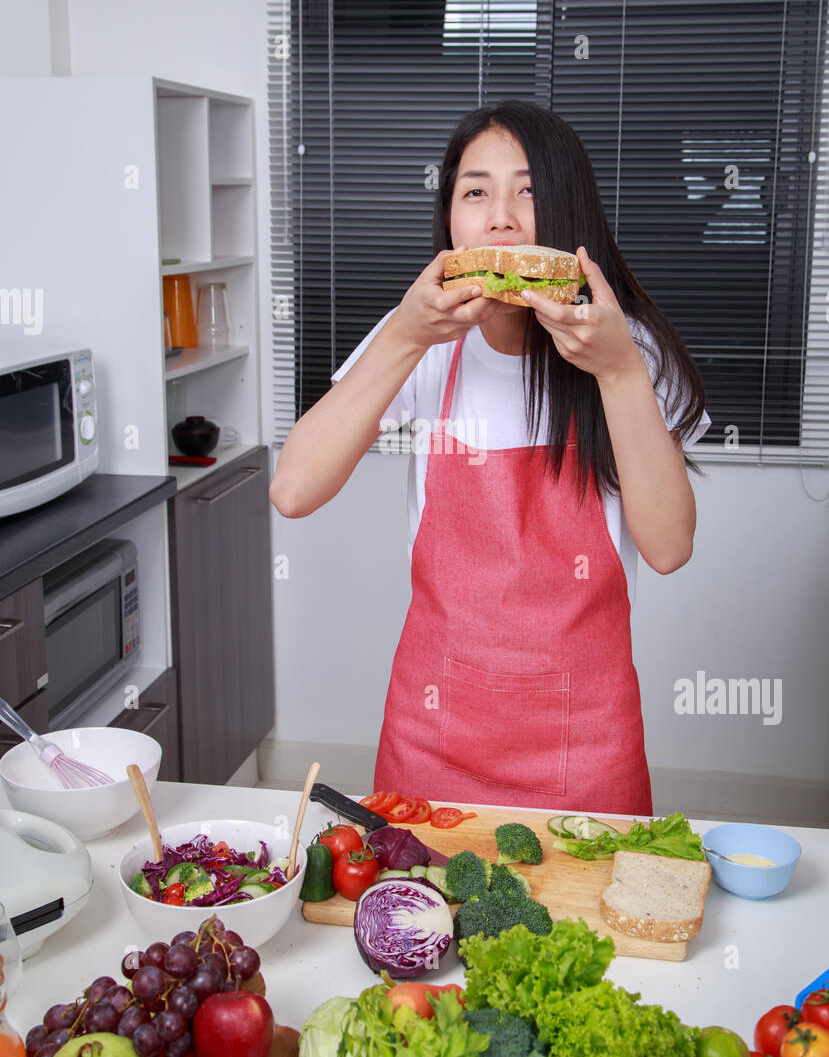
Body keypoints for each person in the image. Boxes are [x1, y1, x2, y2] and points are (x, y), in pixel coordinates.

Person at [270, 100, 710, 816]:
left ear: (571, 212)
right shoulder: (417, 333)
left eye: (529, 190)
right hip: (433, 733)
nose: (501, 218)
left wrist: (621, 372)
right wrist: (407, 337)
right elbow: (293, 488)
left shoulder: (628, 348)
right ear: (450, 219)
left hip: (584, 745)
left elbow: (668, 547)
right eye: (476, 191)